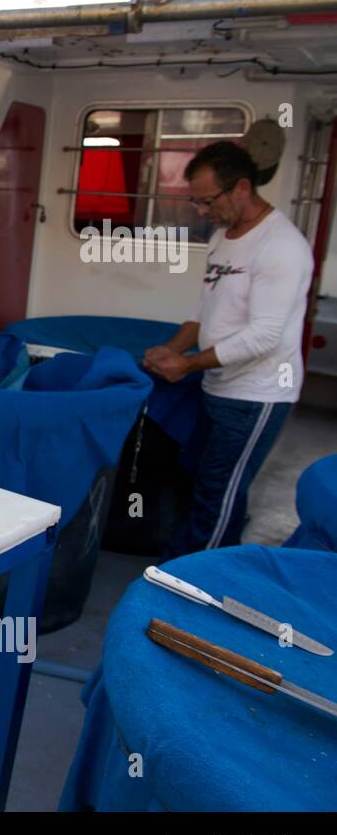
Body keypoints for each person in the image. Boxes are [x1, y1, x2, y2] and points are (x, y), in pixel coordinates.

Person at [143, 140, 313, 556]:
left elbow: (263, 336)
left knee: (218, 493)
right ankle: (219, 567)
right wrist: (169, 350)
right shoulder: (223, 238)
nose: (202, 212)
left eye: (207, 201)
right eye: (196, 203)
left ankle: (189, 587)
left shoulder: (281, 248)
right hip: (218, 385)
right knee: (201, 477)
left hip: (258, 394)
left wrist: (187, 364)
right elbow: (203, 311)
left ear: (240, 188)